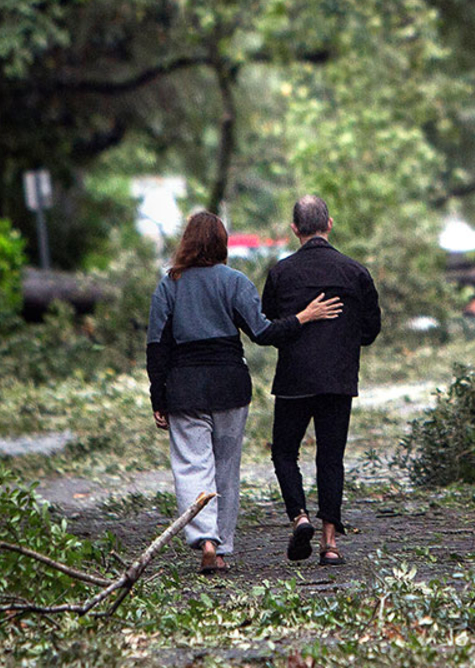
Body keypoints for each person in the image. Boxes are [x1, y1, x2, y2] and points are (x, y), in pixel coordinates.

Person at [147, 211, 342, 575]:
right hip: (230, 386)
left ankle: (204, 539)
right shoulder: (234, 281)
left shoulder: (168, 285)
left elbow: (157, 347)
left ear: (187, 242)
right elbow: (263, 332)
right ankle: (220, 548)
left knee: (192, 467)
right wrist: (304, 317)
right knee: (225, 468)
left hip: (184, 388)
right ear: (221, 243)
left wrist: (158, 397)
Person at [262, 195, 382, 566]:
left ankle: (299, 516)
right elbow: (371, 329)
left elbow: (270, 326)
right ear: (329, 224)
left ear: (294, 229)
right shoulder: (355, 272)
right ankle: (330, 544)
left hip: (294, 380)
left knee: (284, 452)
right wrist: (344, 341)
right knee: (331, 458)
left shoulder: (281, 273)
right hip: (338, 380)